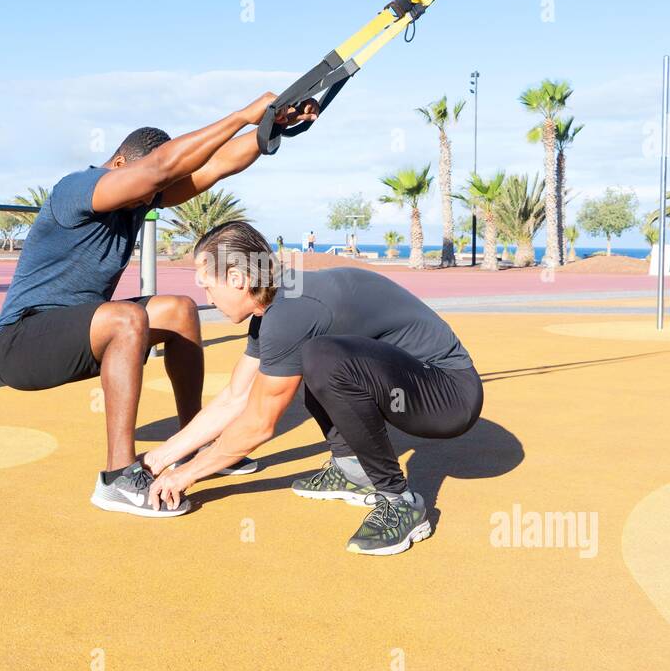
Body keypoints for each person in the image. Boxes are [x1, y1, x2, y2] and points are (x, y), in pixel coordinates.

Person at [0, 95, 317, 517]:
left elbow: (216, 166)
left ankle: (192, 442)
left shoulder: (137, 201)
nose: (148, 201)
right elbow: (160, 168)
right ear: (121, 165)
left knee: (179, 309)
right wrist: (240, 114)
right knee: (129, 318)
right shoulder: (75, 190)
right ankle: (118, 477)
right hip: (20, 344)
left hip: (79, 330)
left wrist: (271, 128)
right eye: (145, 189)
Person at [139, 222, 484, 556]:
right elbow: (235, 397)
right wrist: (158, 459)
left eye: (207, 286)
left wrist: (186, 475)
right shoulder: (273, 306)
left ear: (236, 279)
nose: (208, 298)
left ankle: (400, 502)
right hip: (415, 384)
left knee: (320, 358)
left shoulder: (291, 314)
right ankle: (352, 470)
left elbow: (259, 424)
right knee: (313, 358)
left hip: (449, 397)